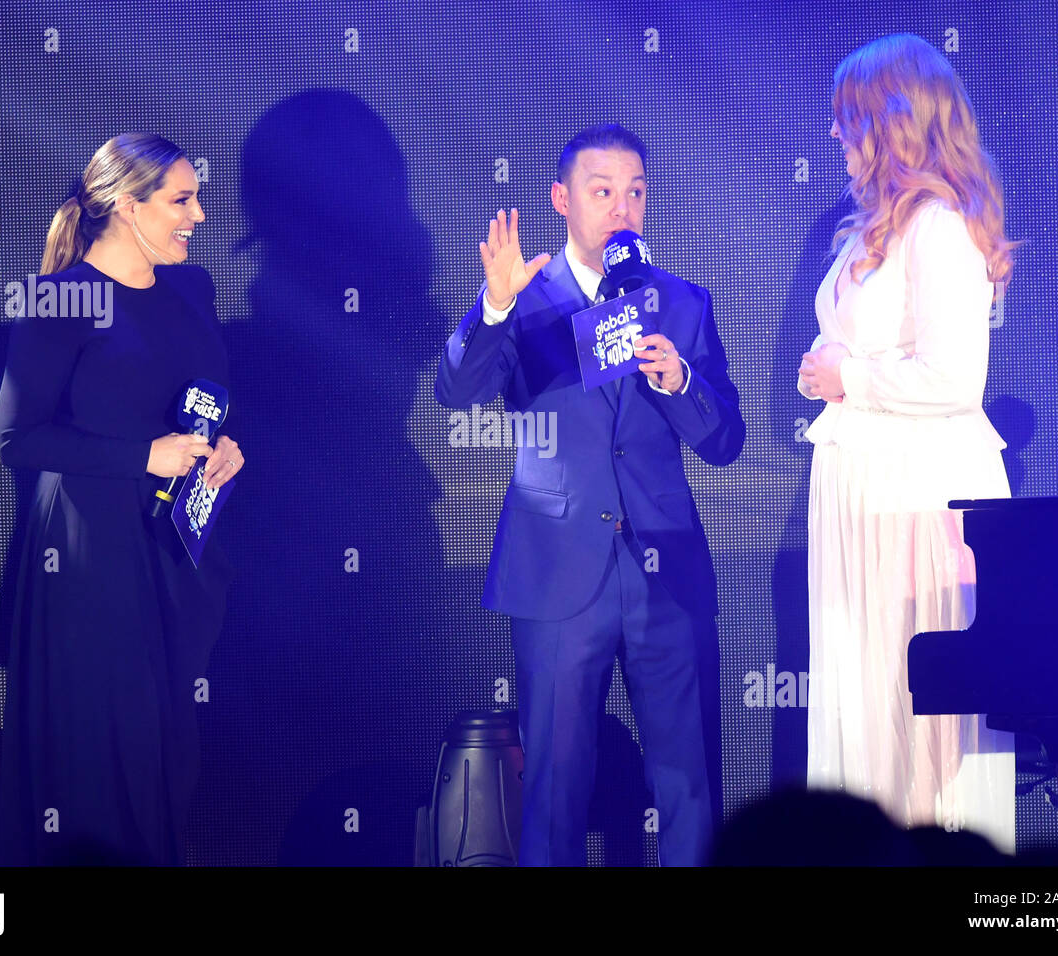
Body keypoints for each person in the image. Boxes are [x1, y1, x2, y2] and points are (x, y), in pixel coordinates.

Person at [435, 124, 745, 865]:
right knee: (555, 792)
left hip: (666, 575)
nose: (621, 207)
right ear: (562, 199)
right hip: (558, 573)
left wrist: (679, 381)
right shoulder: (525, 299)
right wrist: (495, 306)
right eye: (602, 191)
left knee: (690, 784)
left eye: (635, 192)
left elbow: (726, 441)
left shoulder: (682, 302)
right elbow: (456, 391)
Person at [0, 133, 244, 864]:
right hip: (87, 553)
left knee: (166, 748)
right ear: (126, 207)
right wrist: (144, 455)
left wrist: (224, 447)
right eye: (181, 200)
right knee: (103, 752)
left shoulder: (191, 289)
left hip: (172, 546)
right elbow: (18, 440)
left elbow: (207, 400)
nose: (198, 216)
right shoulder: (62, 299)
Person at [797, 34, 1018, 853]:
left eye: (844, 117)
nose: (832, 135)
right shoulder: (872, 228)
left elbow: (955, 381)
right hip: (867, 498)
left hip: (916, 503)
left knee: (922, 720)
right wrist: (834, 371)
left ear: (891, 121)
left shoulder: (939, 226)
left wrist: (847, 375)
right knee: (872, 703)